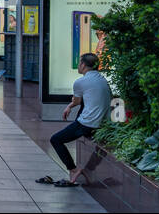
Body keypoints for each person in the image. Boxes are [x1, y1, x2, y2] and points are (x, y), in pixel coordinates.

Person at [44, 52, 112, 186]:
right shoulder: (102, 79)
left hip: (87, 124)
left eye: (79, 63)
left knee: (56, 139)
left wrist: (69, 106)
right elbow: (79, 101)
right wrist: (70, 106)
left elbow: (77, 100)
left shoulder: (80, 82)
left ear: (83, 65)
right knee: (103, 147)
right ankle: (88, 169)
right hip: (103, 124)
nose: (78, 65)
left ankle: (74, 169)